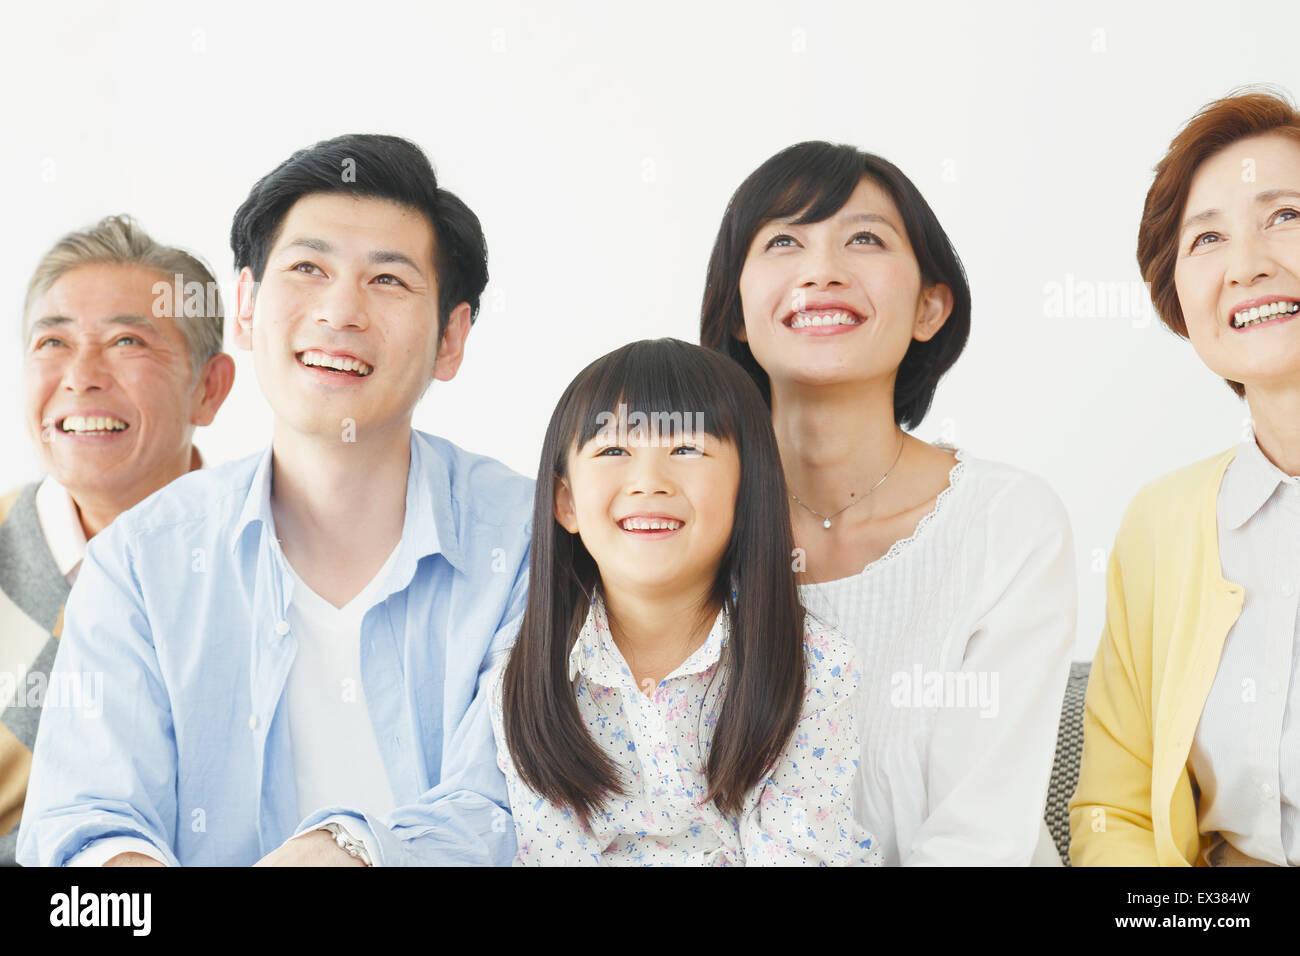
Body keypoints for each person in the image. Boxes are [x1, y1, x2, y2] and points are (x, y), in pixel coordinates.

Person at [17, 133, 532, 867]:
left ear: (452, 338)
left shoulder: (525, 543)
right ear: (248, 306)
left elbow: (512, 808)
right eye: (307, 268)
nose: (339, 310)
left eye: (387, 281)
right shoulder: (139, 560)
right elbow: (85, 822)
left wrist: (345, 851)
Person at [700, 142, 1077, 865]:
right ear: (739, 313)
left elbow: (979, 840)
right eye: (784, 241)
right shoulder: (678, 520)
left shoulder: (1008, 523)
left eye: (865, 239)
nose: (822, 270)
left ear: (930, 306)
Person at [490, 338, 882, 865]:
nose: (649, 482)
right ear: (566, 502)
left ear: (748, 490)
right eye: (613, 451)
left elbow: (798, 852)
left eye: (687, 450)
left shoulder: (814, 669)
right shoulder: (528, 682)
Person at [1071, 88, 1300, 867]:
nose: (1248, 266)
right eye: (1207, 239)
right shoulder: (1164, 524)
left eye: (1286, 217)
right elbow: (1112, 813)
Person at [1, 215, 233, 866]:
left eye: (128, 341)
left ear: (208, 388)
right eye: (53, 343)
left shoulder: (269, 563)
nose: (81, 376)